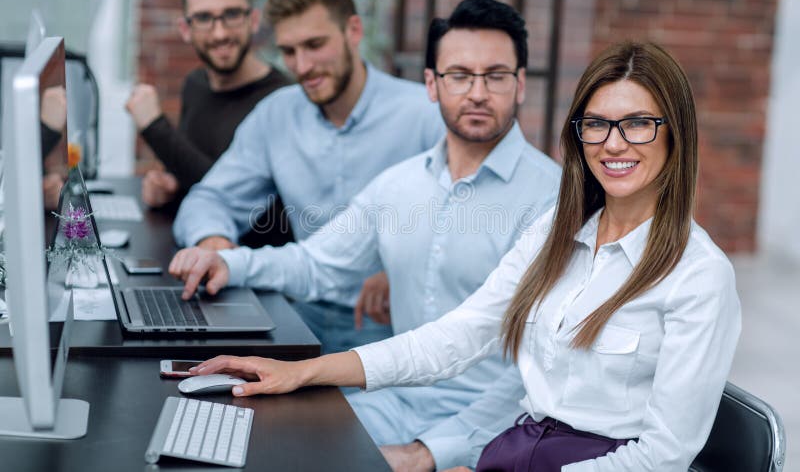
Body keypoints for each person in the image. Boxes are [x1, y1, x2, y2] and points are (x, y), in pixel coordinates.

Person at [178, 41, 742, 472]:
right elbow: (457, 337)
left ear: (676, 134)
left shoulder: (699, 275)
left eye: (638, 124)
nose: (613, 144)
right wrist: (304, 372)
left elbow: (662, 458)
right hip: (519, 445)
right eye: (596, 124)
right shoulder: (555, 232)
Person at [169, 0, 561, 470]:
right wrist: (229, 262)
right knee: (248, 437)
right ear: (432, 85)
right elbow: (318, 264)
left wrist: (428, 453)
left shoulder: (554, 200)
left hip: (499, 430)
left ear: (520, 85)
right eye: (459, 75)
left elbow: (541, 370)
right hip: (395, 401)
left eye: (495, 75)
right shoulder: (400, 184)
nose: (477, 92)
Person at [172, 0, 444, 353]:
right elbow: (208, 198)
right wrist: (212, 241)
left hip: (394, 328)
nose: (301, 67)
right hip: (297, 313)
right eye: (288, 51)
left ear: (353, 31)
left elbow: (471, 221)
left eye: (315, 45)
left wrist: (401, 269)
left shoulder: (422, 114)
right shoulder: (276, 115)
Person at [124, 0, 291, 215]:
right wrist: (171, 188)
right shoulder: (195, 84)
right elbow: (198, 178)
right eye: (203, 18)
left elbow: (240, 200)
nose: (220, 33)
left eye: (232, 15)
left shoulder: (283, 100)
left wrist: (155, 127)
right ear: (185, 29)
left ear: (253, 21)